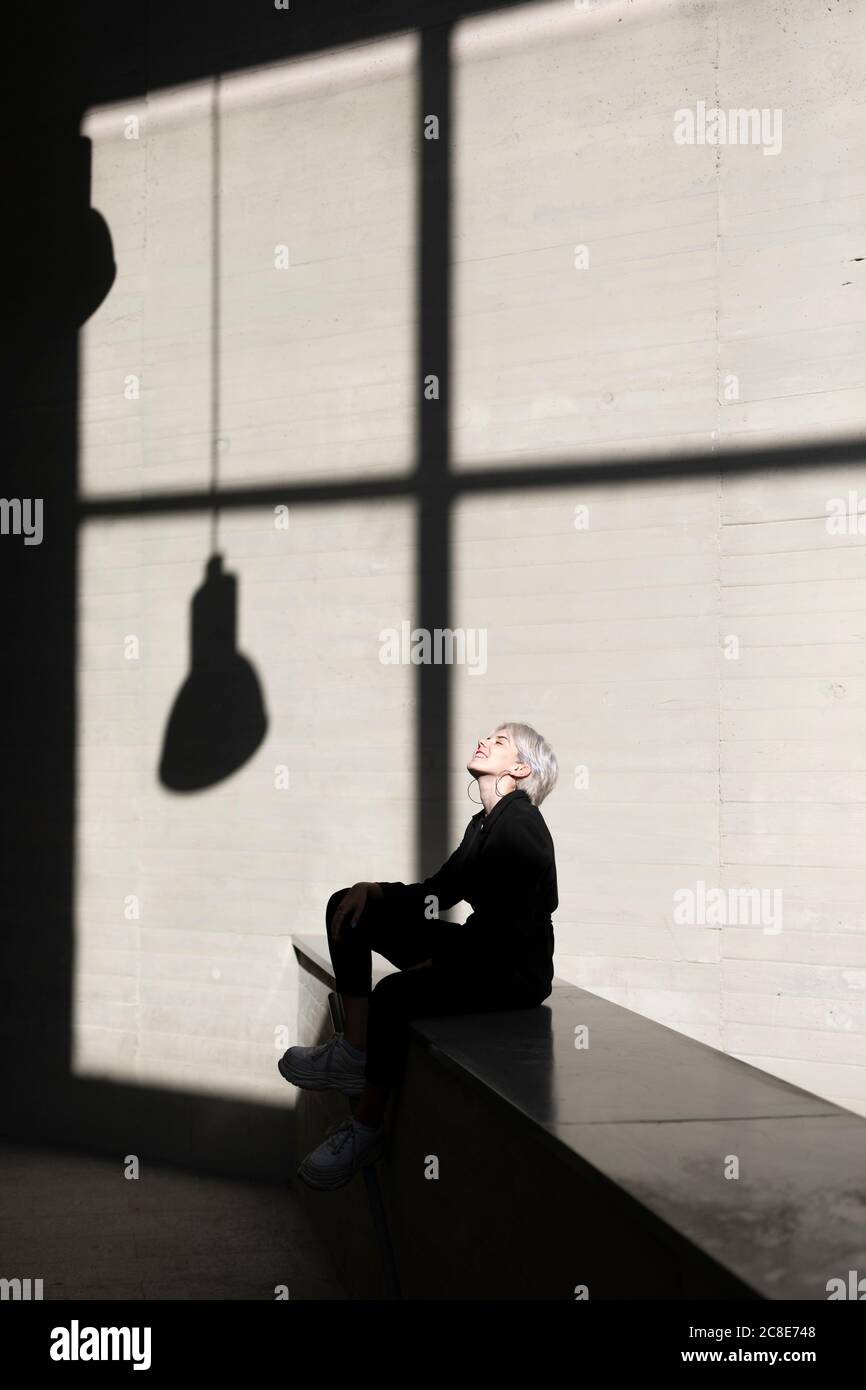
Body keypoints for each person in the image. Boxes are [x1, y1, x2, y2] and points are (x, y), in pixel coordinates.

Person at [279, 721, 559, 1190]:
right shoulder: (486, 822)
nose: (486, 740)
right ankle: (353, 1052)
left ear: (519, 768)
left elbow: (517, 922)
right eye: (489, 735)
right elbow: (440, 892)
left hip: (512, 969)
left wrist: (448, 963)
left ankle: (366, 1130)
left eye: (501, 741)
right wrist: (375, 892)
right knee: (347, 907)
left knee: (393, 993)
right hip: (483, 947)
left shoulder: (521, 824)